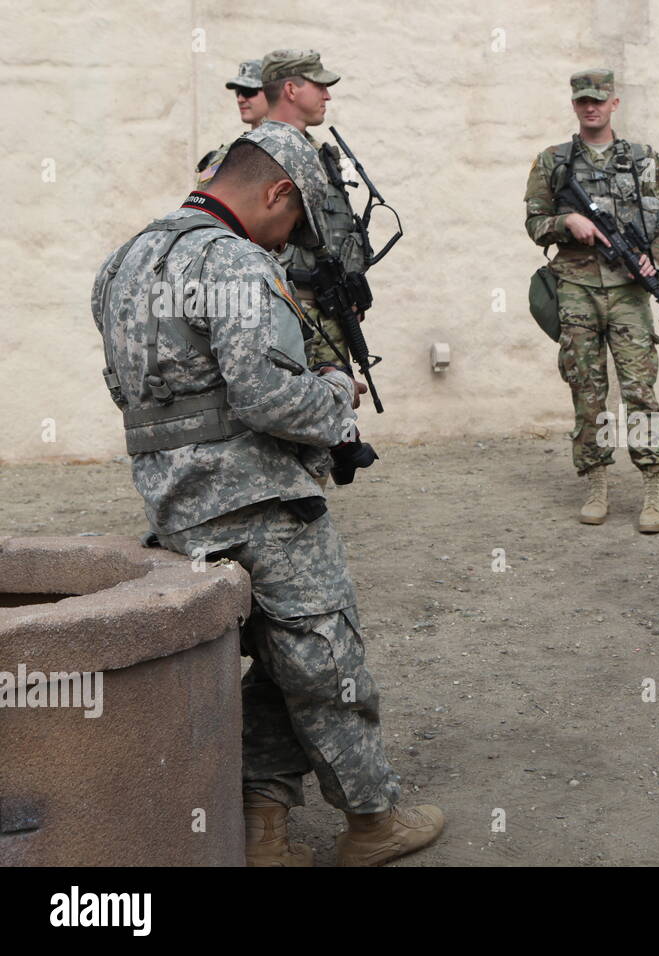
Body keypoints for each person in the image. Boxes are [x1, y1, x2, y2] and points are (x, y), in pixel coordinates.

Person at [91, 122, 443, 866]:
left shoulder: (122, 262)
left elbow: (128, 390)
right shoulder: (236, 264)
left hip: (176, 511)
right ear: (277, 191)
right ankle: (373, 824)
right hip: (263, 504)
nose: (288, 244)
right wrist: (335, 394)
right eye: (294, 224)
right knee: (326, 661)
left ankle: (265, 830)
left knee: (273, 665)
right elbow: (266, 396)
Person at [524, 68, 659, 532]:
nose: (591, 107)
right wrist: (565, 223)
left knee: (639, 390)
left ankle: (652, 484)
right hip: (574, 287)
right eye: (583, 101)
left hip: (629, 291)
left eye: (599, 100)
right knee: (586, 389)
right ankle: (596, 482)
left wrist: (656, 261)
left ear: (614, 103)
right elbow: (534, 222)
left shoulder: (644, 160)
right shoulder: (552, 161)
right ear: (575, 105)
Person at [260, 49, 368, 373]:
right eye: (318, 86)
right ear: (291, 90)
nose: (327, 95)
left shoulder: (322, 154)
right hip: (289, 314)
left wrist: (352, 284)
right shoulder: (258, 155)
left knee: (341, 412)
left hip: (333, 309)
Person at [195, 59, 268, 188]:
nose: (240, 99)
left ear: (271, 92)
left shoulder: (292, 148)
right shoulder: (231, 152)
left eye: (248, 91)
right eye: (238, 92)